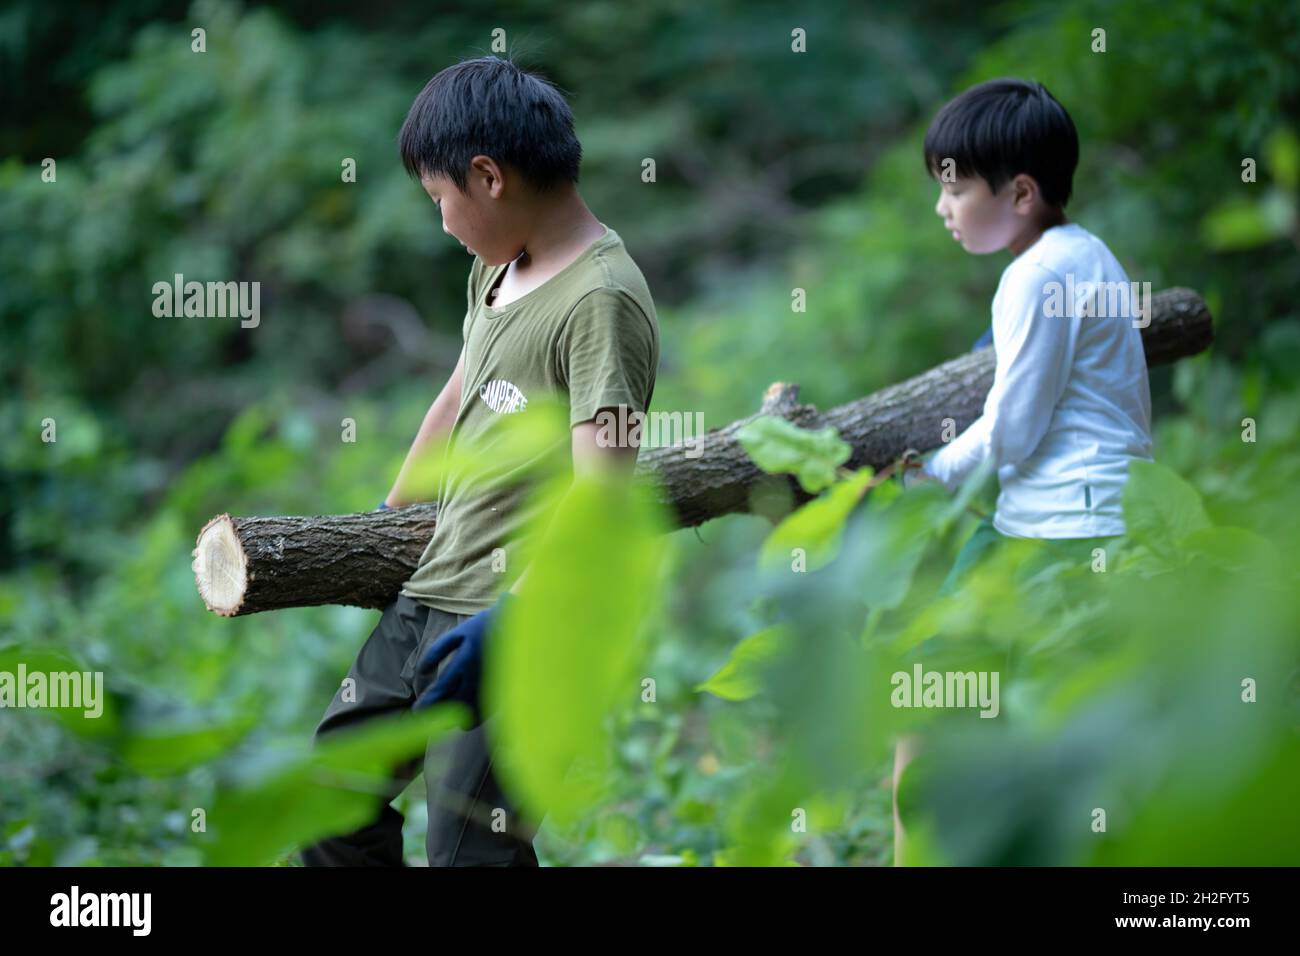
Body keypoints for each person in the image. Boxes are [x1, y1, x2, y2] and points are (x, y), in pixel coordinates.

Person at [300, 55, 660, 867]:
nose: (442, 223)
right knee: (329, 797)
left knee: (471, 854)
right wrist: (390, 520)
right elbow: (460, 394)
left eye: (440, 200)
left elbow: (603, 489)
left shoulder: (602, 299)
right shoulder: (498, 267)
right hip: (433, 592)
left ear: (488, 177)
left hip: (523, 621)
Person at [893, 78, 1153, 865]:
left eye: (955, 186)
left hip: (1065, 536)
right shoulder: (1088, 254)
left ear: (1023, 192)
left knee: (940, 704)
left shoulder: (1035, 276)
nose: (943, 207)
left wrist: (924, 476)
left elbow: (1010, 432)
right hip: (1069, 525)